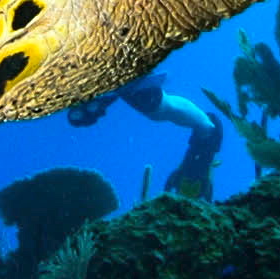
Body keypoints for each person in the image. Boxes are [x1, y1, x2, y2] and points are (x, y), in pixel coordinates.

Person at [67, 69, 222, 199]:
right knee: (163, 109)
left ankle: (112, 92)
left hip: (155, 101)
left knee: (162, 108)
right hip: (156, 102)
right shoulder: (203, 128)